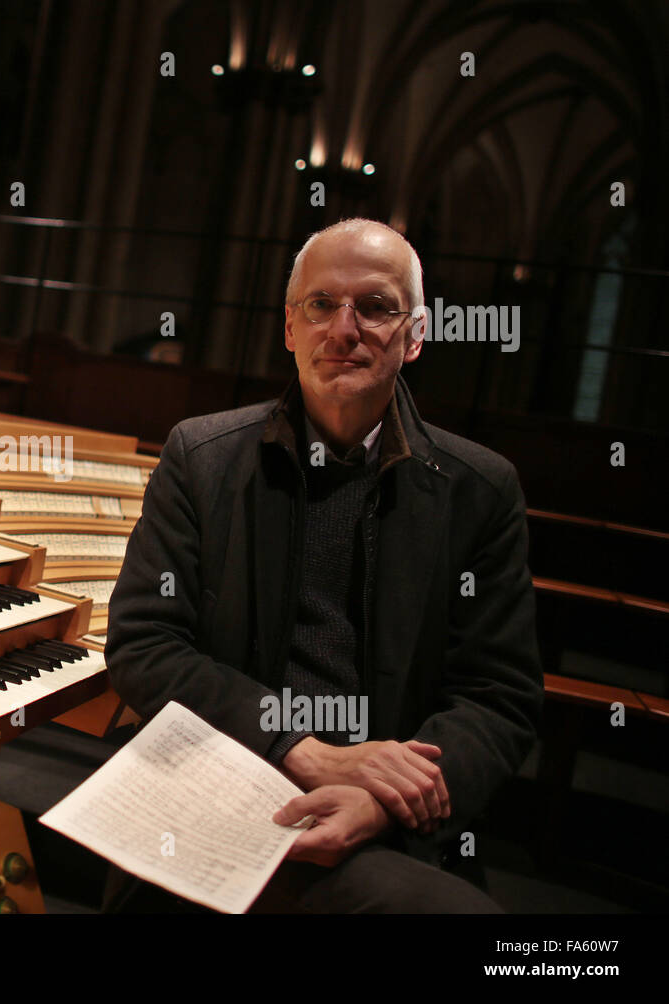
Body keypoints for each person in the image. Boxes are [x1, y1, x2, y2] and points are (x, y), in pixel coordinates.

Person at [103, 218, 543, 913]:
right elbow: (144, 644)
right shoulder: (202, 456)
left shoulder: (480, 491)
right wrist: (298, 746)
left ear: (416, 334)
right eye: (321, 304)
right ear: (289, 327)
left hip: (382, 824)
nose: (344, 330)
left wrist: (378, 802)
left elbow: (498, 699)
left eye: (375, 306)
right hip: (222, 778)